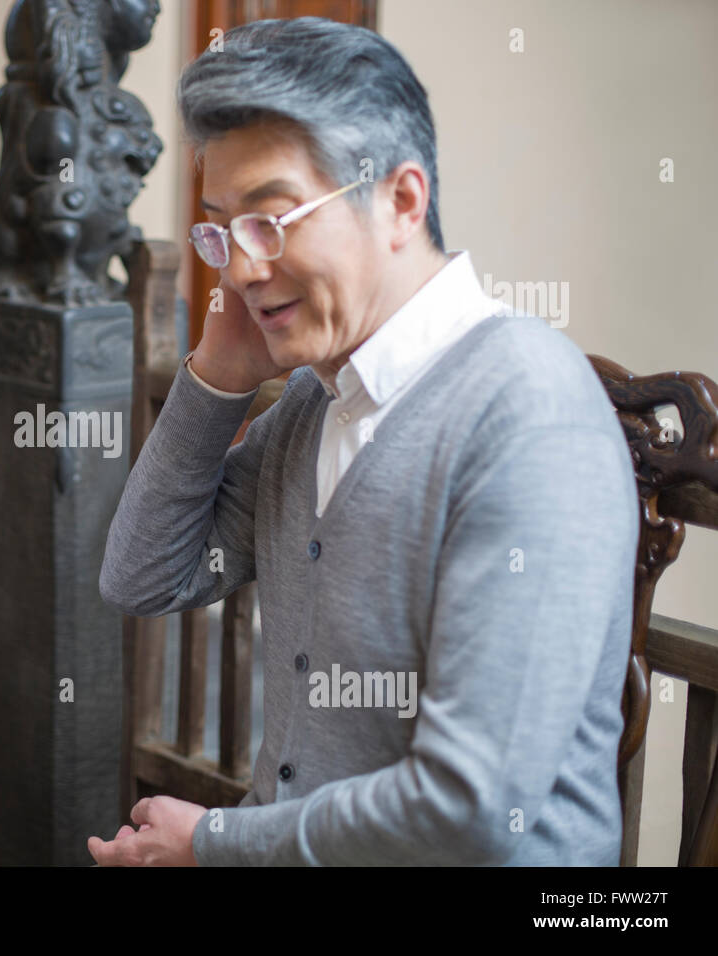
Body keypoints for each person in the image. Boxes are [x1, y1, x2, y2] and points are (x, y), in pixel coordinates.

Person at [89, 17, 638, 866]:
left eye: (269, 221)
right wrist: (215, 379)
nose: (238, 269)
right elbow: (141, 575)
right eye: (220, 230)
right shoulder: (317, 401)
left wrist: (216, 842)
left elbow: (472, 809)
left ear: (401, 200)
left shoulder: (528, 410)